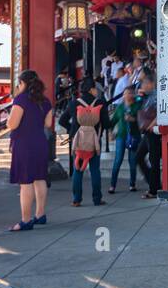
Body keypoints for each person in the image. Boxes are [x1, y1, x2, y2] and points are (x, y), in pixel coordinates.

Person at [6, 69, 53, 231]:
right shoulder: (46, 101)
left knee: (25, 182)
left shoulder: (20, 99)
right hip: (40, 142)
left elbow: (12, 124)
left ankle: (26, 220)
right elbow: (48, 124)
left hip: (24, 143)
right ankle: (40, 214)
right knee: (39, 179)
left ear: (23, 83)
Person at [61, 79, 109, 207]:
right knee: (95, 170)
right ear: (91, 89)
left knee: (78, 170)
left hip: (78, 142)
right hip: (94, 142)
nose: (96, 91)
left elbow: (62, 120)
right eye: (95, 89)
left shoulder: (73, 104)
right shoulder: (100, 103)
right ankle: (97, 199)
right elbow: (107, 123)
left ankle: (77, 199)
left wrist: (73, 130)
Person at [108, 84, 141, 194]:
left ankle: (132, 184)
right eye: (126, 93)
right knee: (118, 160)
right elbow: (112, 122)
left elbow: (142, 120)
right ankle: (112, 185)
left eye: (130, 93)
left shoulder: (137, 105)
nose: (128, 95)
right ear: (123, 95)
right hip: (121, 136)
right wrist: (111, 132)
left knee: (132, 161)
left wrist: (133, 119)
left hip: (134, 136)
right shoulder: (120, 107)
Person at [135, 69, 161, 199]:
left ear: (151, 84)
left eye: (145, 84)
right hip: (146, 132)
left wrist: (151, 125)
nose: (143, 87)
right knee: (139, 156)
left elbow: (160, 112)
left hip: (154, 131)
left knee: (154, 160)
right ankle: (154, 183)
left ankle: (154, 189)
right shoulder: (146, 96)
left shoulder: (157, 95)